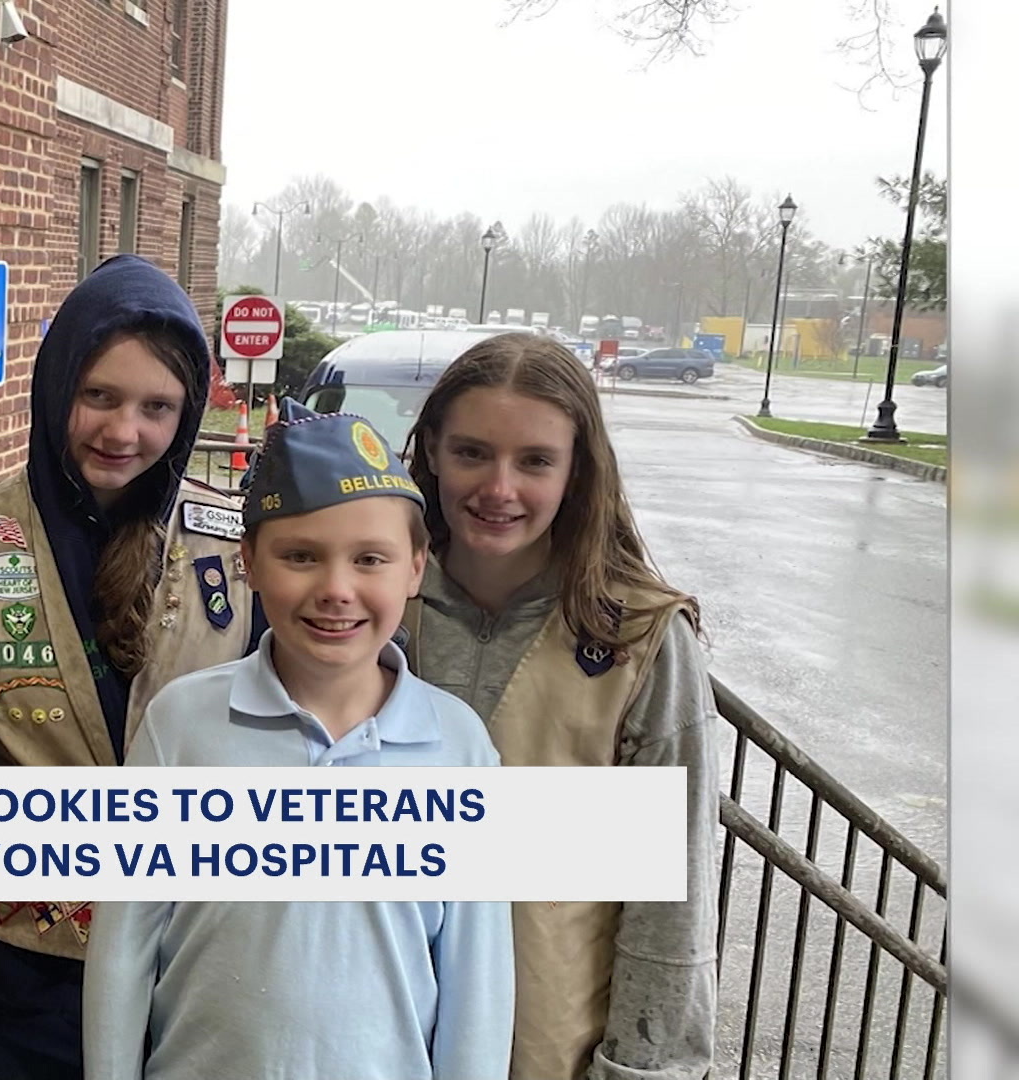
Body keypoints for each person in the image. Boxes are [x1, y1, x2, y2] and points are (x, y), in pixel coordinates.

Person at [0, 254, 257, 1080]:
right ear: (55, 392)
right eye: (100, 397)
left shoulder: (234, 553)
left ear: (189, 412)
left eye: (158, 406)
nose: (126, 433)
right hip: (30, 975)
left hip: (198, 963)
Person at [83, 400, 513, 1080]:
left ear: (416, 565)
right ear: (249, 560)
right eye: (301, 556)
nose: (336, 589)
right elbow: (123, 946)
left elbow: (478, 985)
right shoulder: (183, 724)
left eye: (370, 558)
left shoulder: (458, 747)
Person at [399, 332, 718, 1079]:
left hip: (545, 1051)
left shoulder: (642, 639)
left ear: (577, 471)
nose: (499, 487)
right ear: (433, 451)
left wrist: (644, 1067)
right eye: (472, 452)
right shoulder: (370, 605)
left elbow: (671, 902)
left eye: (535, 460)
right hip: (372, 1040)